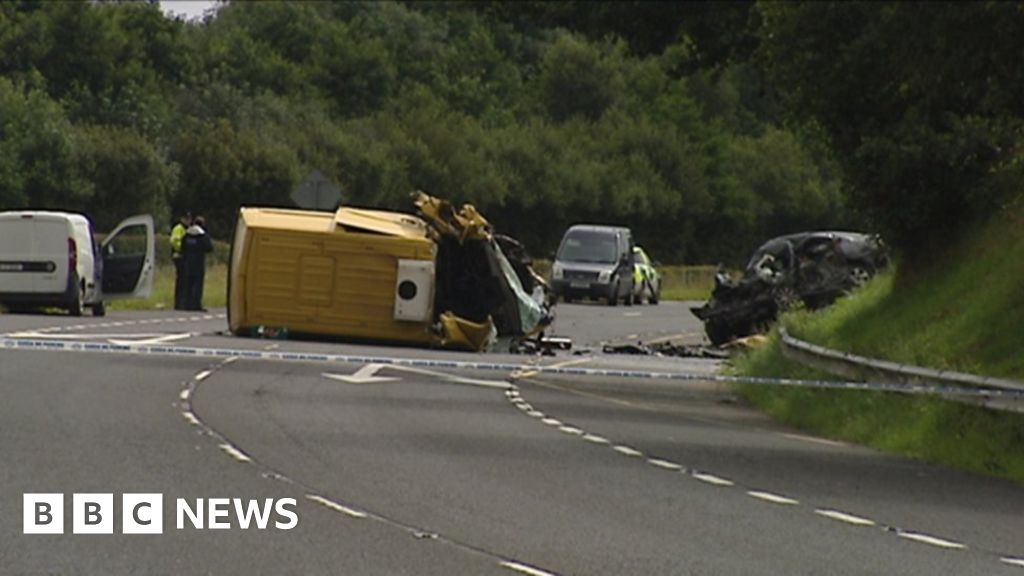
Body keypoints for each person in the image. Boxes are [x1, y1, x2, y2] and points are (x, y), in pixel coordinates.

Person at [181, 215, 213, 311]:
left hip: (188, 263)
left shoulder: (187, 235)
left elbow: (182, 247)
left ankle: (187, 304)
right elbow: (209, 248)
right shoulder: (202, 236)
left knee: (188, 284)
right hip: (199, 263)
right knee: (198, 285)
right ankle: (196, 305)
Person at [169, 212, 191, 310]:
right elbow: (174, 241)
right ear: (182, 219)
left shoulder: (187, 229)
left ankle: (183, 302)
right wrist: (182, 248)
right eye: (186, 219)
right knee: (181, 280)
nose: (188, 221)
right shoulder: (178, 228)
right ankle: (179, 303)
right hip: (179, 256)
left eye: (189, 219)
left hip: (184, 257)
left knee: (184, 281)